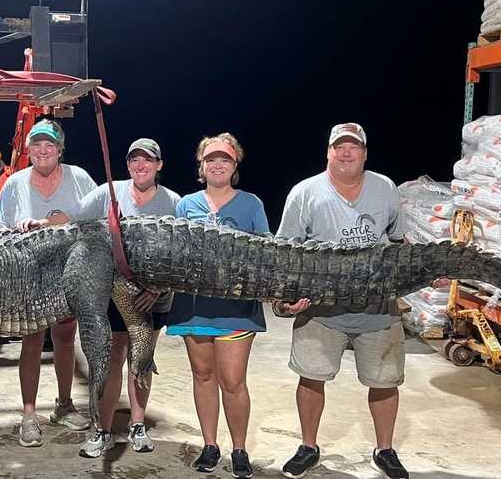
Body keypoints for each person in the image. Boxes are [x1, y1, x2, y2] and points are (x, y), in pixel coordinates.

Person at [274, 123, 407, 479]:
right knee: (311, 377)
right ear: (328, 152)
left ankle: (385, 449)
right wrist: (285, 301)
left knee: (384, 381)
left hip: (377, 307)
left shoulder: (385, 188)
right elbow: (285, 253)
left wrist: (424, 273)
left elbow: (398, 243)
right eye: (339, 147)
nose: (346, 153)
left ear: (365, 153)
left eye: (354, 147)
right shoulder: (304, 193)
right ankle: (308, 446)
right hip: (321, 309)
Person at [165, 133, 268, 479]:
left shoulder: (251, 204)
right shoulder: (186, 205)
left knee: (233, 380)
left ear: (235, 164)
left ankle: (239, 449)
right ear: (201, 166)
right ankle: (210, 445)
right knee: (203, 375)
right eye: (211, 159)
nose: (217, 164)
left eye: (225, 158)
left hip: (235, 307)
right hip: (193, 306)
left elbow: (266, 254)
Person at [72, 138, 181, 458]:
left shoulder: (172, 201)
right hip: (114, 294)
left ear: (159, 165)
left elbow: (180, 252)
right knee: (112, 359)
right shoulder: (109, 192)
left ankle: (137, 424)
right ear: (128, 164)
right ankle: (102, 430)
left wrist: (157, 288)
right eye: (134, 159)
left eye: (147, 160)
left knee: (142, 359)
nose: (140, 165)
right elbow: (74, 221)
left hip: (153, 296)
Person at [0, 118, 98, 446]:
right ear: (28, 150)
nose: (43, 151)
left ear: (59, 149)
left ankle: (64, 405)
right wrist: (18, 228)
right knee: (32, 339)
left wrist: (63, 221)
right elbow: (0, 231)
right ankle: (29, 413)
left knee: (66, 337)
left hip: (69, 272)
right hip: (30, 274)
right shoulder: (14, 183)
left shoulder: (79, 177)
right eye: (37, 145)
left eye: (49, 145)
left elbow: (98, 217)